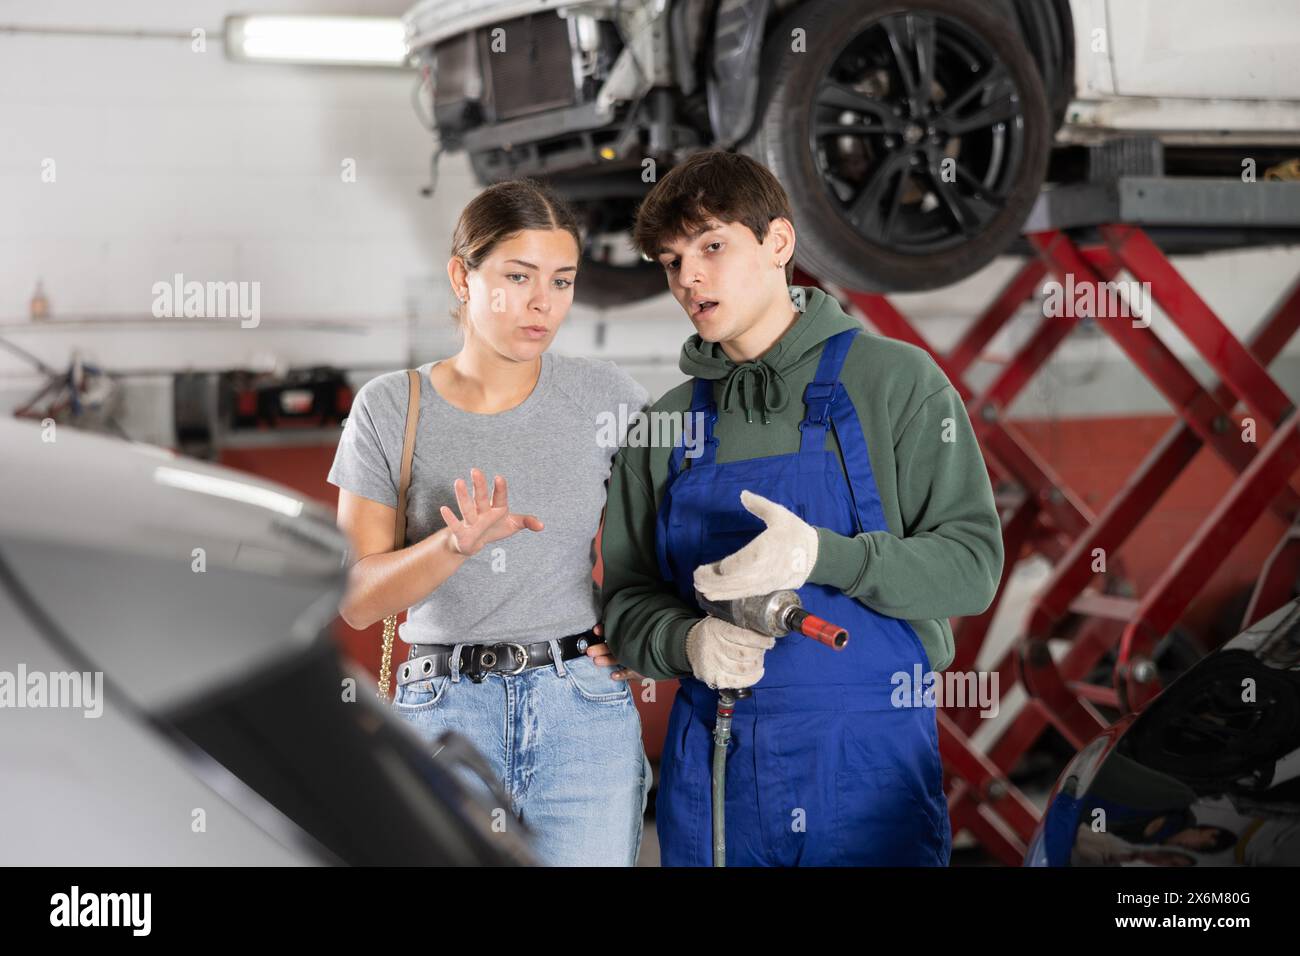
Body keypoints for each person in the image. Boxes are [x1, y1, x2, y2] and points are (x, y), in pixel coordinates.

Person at [601, 149, 1004, 866]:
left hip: (866, 771)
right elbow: (627, 605)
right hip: (718, 769)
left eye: (712, 245)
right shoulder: (662, 428)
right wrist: (687, 643)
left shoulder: (895, 381)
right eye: (670, 261)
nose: (688, 277)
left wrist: (827, 555)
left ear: (779, 243)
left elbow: (971, 569)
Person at [328, 178, 651, 866]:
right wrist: (452, 546)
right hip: (446, 711)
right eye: (518, 276)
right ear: (462, 277)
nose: (544, 302)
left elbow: (665, 544)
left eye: (562, 280)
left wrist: (643, 631)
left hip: (583, 714)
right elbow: (358, 600)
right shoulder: (391, 407)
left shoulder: (609, 398)